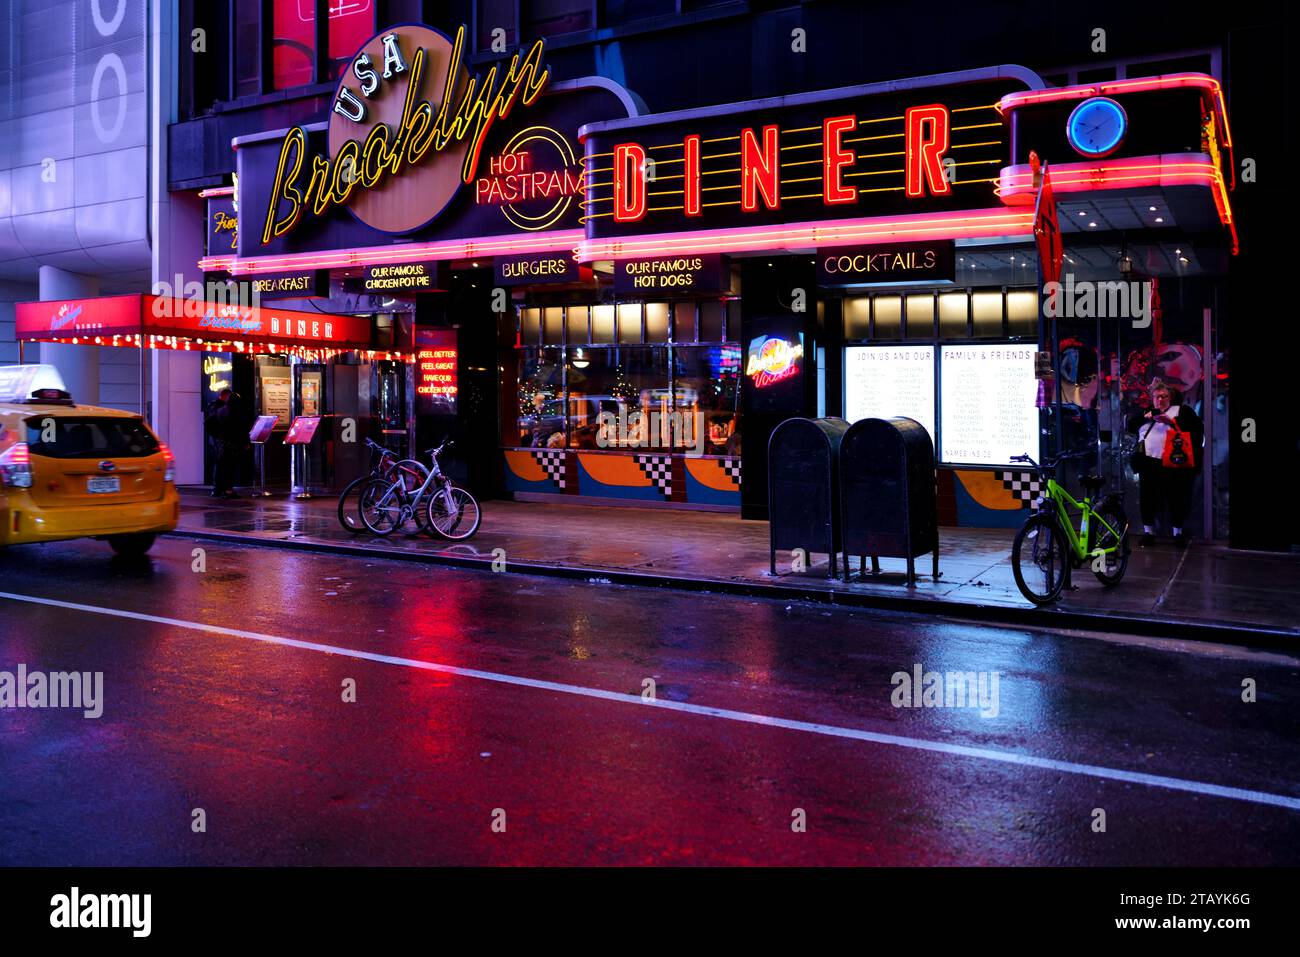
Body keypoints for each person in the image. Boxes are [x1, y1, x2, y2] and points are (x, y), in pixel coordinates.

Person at [1128, 378, 1203, 548]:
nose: (1160, 400)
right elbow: (1131, 427)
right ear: (1152, 398)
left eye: (1164, 396)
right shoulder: (1147, 411)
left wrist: (1172, 422)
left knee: (1177, 498)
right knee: (1148, 498)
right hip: (1149, 463)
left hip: (1174, 463)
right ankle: (1148, 533)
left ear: (1171, 397)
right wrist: (1145, 418)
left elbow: (1197, 431)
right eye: (1157, 397)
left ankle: (1178, 534)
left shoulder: (1182, 411)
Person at [204, 388, 249, 498]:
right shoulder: (237, 413)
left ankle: (217, 490)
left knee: (220, 467)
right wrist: (246, 442)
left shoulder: (221, 411)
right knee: (231, 468)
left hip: (222, 444)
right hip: (234, 444)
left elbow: (208, 423)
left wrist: (217, 436)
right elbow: (242, 430)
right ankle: (228, 491)